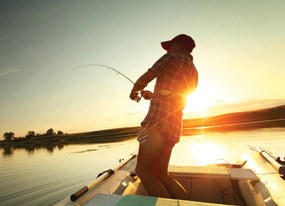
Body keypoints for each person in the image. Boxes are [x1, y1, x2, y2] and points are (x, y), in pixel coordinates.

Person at [129, 34, 198, 199]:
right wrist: (151, 95)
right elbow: (176, 96)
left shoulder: (171, 57)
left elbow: (147, 77)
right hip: (174, 127)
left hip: (157, 123)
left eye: (170, 45)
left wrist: (134, 91)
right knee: (162, 174)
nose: (168, 49)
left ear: (179, 45)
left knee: (143, 171)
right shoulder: (193, 70)